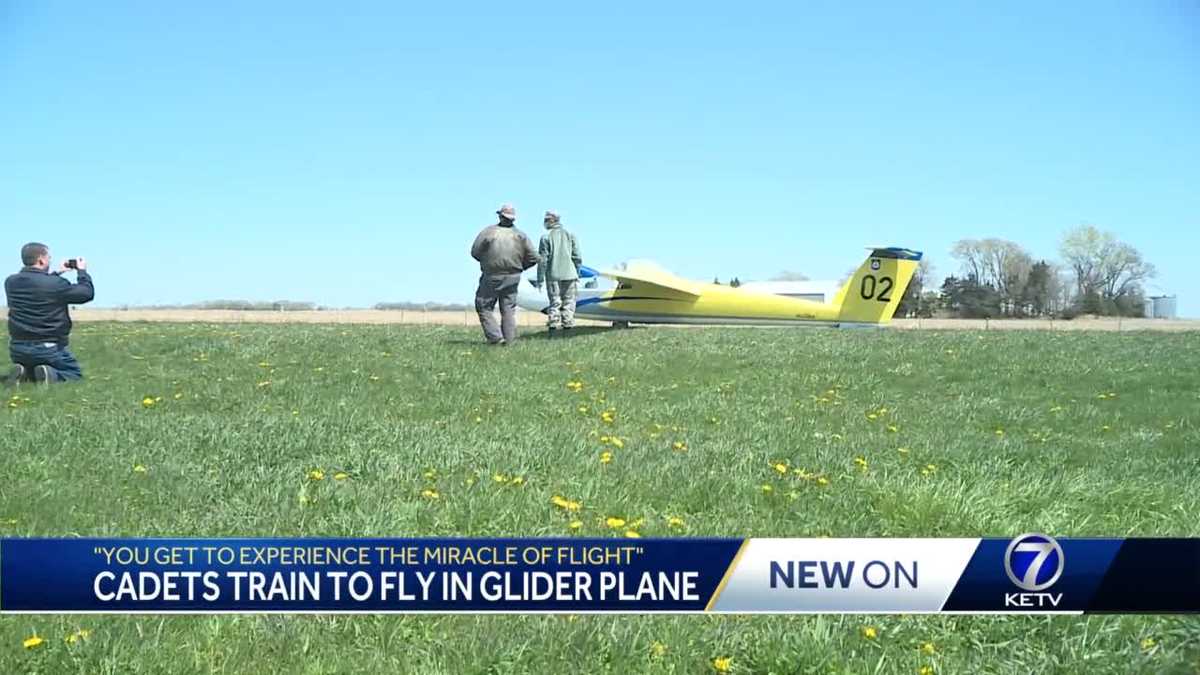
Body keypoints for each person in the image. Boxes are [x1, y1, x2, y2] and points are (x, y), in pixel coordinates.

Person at [5, 242, 94, 384]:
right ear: (41, 259)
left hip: (17, 348)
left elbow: (38, 286)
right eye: (49, 257)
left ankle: (24, 373)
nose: (50, 261)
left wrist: (58, 272)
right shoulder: (56, 284)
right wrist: (82, 271)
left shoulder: (11, 282)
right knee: (74, 375)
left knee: (32, 370)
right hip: (49, 348)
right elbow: (86, 293)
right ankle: (51, 375)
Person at [470, 204, 539, 345]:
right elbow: (534, 257)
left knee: (483, 306)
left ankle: (495, 338)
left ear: (500, 216)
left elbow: (475, 252)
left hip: (492, 275)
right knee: (508, 309)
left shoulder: (489, 232)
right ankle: (509, 340)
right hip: (514, 276)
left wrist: (489, 262)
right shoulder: (521, 235)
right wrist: (519, 267)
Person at [533, 210, 583, 334]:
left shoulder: (545, 237)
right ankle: (568, 329)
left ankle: (553, 329)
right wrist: (577, 272)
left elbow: (543, 260)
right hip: (570, 274)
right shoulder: (570, 234)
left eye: (546, 220)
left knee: (555, 303)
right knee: (569, 302)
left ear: (551, 220)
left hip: (553, 275)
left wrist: (540, 278)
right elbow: (577, 257)